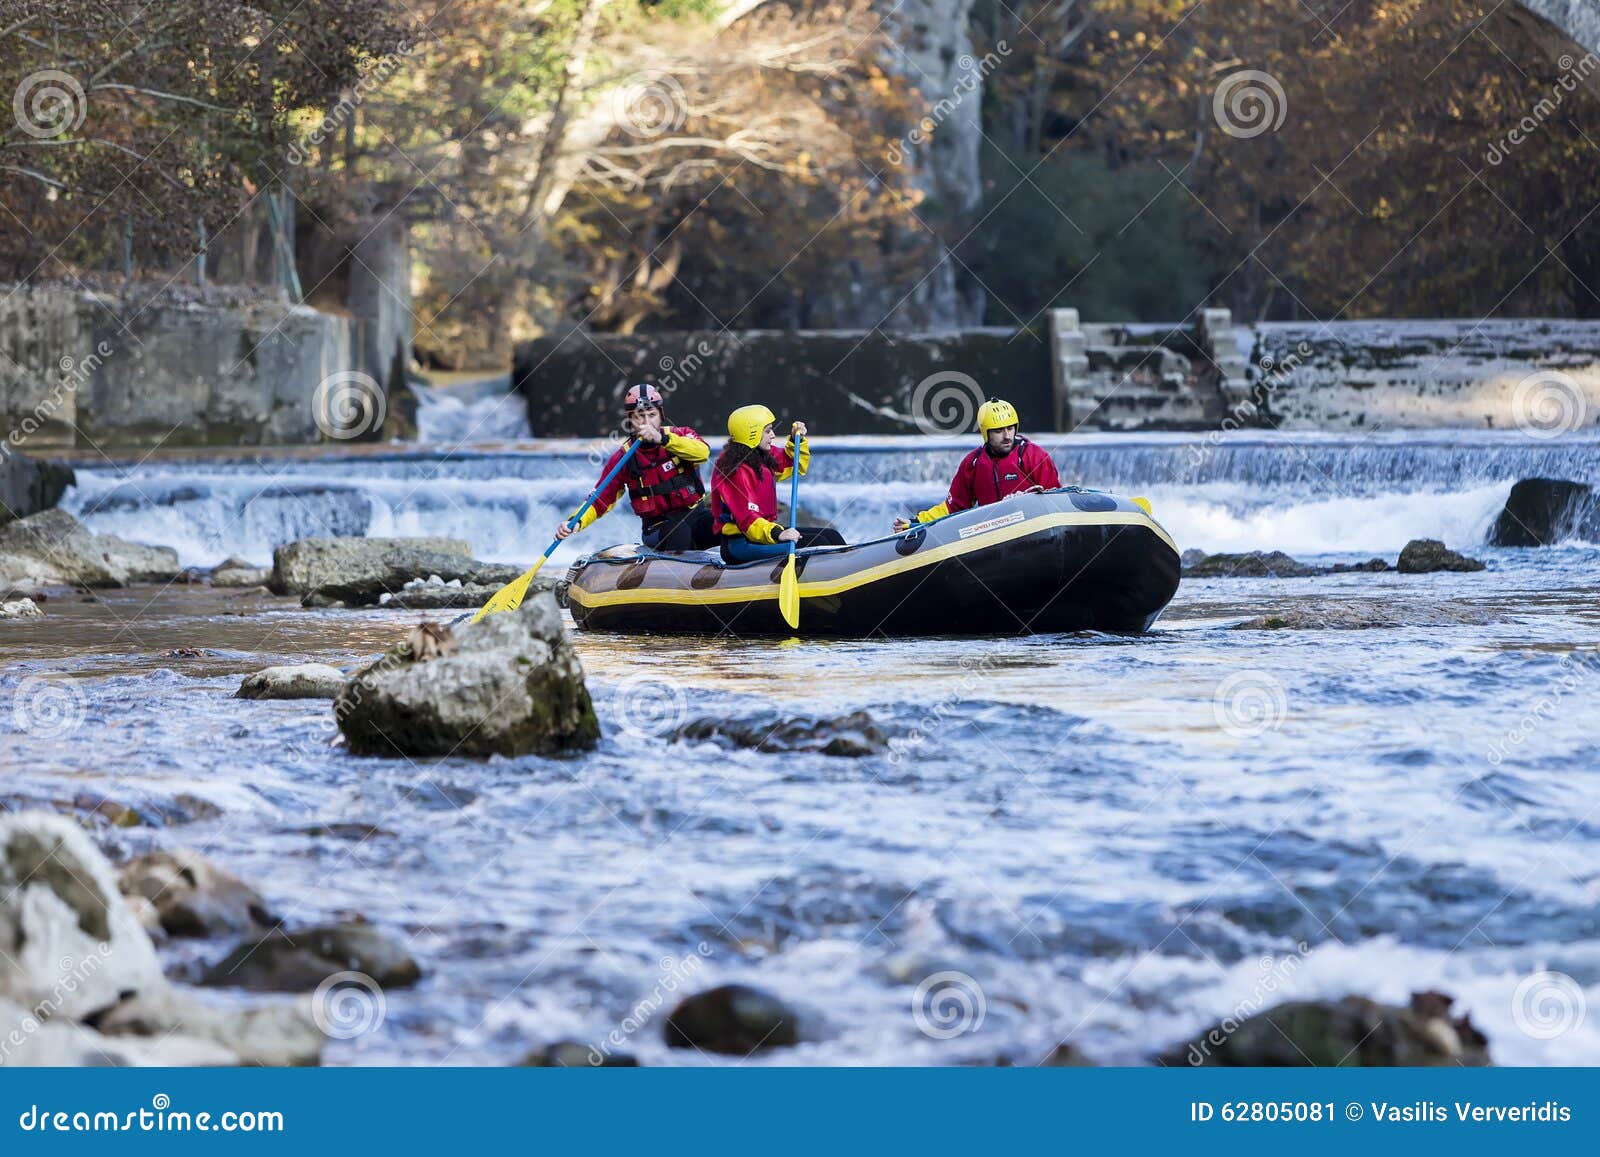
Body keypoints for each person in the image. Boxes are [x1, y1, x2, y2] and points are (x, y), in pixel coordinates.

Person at [554, 383, 717, 551]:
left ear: (660, 415)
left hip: (695, 514)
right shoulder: (622, 458)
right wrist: (575, 521)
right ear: (630, 420)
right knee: (680, 533)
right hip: (658, 527)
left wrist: (663, 440)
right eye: (640, 416)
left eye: (652, 415)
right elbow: (600, 498)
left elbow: (703, 453)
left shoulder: (680, 435)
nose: (647, 422)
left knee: (726, 524)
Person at [893, 397, 1062, 530]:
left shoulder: (1034, 456)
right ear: (986, 433)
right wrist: (916, 522)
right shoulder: (972, 464)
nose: (1007, 436)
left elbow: (1056, 498)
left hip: (1032, 530)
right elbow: (953, 508)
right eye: (998, 431)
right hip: (993, 536)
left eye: (1010, 428)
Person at [711, 404, 845, 564]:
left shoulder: (759, 456)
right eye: (768, 431)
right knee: (819, 543)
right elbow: (749, 521)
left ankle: (850, 573)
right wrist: (778, 533)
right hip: (740, 546)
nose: (773, 435)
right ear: (752, 434)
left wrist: (796, 439)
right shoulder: (732, 471)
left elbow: (793, 464)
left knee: (830, 535)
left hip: (760, 536)